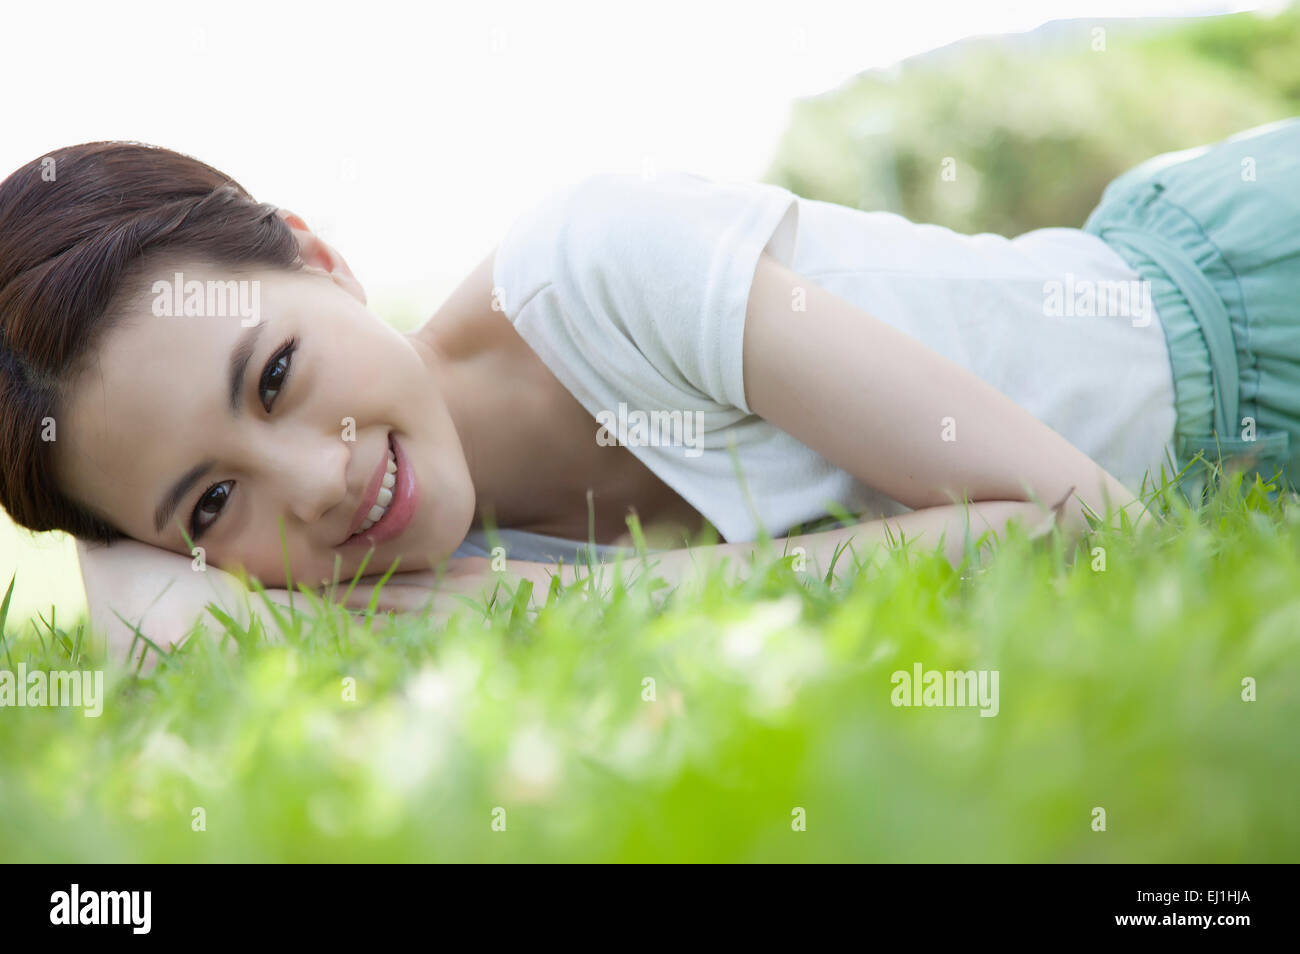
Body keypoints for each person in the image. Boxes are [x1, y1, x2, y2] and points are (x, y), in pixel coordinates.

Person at [13, 118, 1292, 657]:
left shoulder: (598, 264)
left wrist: (539, 611)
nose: (322, 482)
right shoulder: (379, 573)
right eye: (209, 502)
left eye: (276, 376)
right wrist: (124, 534)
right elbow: (145, 622)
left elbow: (1083, 527)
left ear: (318, 255)